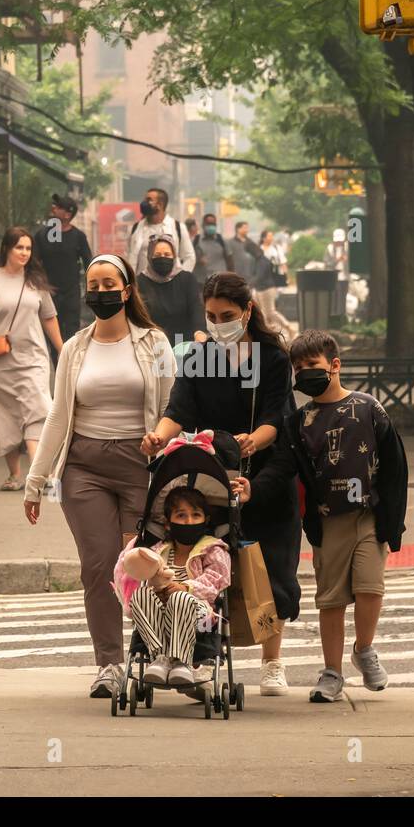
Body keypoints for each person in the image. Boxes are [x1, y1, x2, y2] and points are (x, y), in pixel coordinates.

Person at [24, 254, 175, 699]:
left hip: (140, 464)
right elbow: (57, 416)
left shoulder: (155, 343)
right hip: (84, 467)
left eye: (110, 283)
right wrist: (36, 482)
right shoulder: (74, 348)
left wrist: (161, 440)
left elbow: (173, 406)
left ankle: (150, 656)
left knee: (140, 564)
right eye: (94, 285)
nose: (101, 292)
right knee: (97, 566)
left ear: (127, 291)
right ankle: (108, 665)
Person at [142, 273, 301, 697]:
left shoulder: (272, 358)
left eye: (227, 316)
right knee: (205, 569)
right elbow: (179, 407)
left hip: (263, 471)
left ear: (248, 311)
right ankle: (198, 655)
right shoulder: (199, 356)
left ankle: (272, 661)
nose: (218, 323)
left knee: (270, 571)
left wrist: (253, 441)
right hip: (213, 477)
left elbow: (277, 418)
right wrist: (159, 436)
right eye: (211, 316)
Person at [234, 329, 408, 703]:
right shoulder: (298, 423)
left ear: (334, 365)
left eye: (311, 365)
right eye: (298, 368)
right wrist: (253, 488)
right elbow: (282, 466)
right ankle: (332, 672)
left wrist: (393, 523)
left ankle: (364, 649)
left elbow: (396, 467)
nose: (304, 373)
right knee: (330, 600)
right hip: (327, 523)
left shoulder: (369, 408)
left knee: (369, 589)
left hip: (368, 519)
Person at [0, 227, 64, 491]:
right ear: (6, 249)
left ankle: (39, 474)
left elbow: (49, 317)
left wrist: (62, 348)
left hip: (34, 357)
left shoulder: (35, 281)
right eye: (19, 247)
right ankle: (14, 474)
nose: (24, 253)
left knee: (38, 410)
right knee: (7, 416)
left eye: (28, 248)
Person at [112, 485, 231, 687]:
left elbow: (218, 579)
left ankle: (181, 660)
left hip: (200, 614)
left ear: (205, 520)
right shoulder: (159, 551)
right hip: (160, 615)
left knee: (179, 598)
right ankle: (161, 658)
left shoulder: (213, 549)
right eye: (181, 515)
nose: (189, 521)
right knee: (140, 595)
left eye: (196, 515)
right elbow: (144, 574)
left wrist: (186, 587)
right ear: (168, 523)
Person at [32, 193, 92, 344]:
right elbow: (34, 263)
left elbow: (88, 263)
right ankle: (57, 362)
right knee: (51, 332)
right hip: (49, 293)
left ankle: (70, 363)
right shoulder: (41, 235)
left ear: (67, 214)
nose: (53, 208)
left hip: (71, 292)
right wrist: (38, 285)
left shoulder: (78, 236)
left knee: (71, 332)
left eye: (58, 207)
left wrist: (91, 289)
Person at [136, 234, 205, 348]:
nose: (162, 258)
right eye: (157, 255)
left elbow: (196, 307)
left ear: (174, 256)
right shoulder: (140, 282)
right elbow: (139, 317)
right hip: (153, 346)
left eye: (167, 254)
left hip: (185, 346)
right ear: (149, 256)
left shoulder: (187, 279)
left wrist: (199, 332)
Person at [128, 187, 196, 278]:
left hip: (171, 285)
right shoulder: (135, 228)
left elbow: (190, 257)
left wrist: (181, 279)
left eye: (149, 200)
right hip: (143, 286)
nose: (143, 203)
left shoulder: (177, 227)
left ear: (160, 204)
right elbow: (130, 258)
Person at [252, 229, 294, 340]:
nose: (271, 238)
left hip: (270, 283)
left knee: (270, 311)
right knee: (262, 312)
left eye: (272, 236)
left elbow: (283, 263)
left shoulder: (276, 248)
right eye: (269, 236)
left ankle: (288, 327)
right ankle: (270, 333)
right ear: (263, 238)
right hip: (257, 284)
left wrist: (286, 276)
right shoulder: (258, 249)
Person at [194, 212, 233, 283]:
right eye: (208, 224)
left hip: (220, 280)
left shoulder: (221, 240)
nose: (211, 226)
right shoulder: (196, 240)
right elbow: (189, 258)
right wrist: (198, 260)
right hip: (202, 281)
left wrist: (231, 278)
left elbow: (229, 259)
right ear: (203, 225)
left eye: (213, 224)